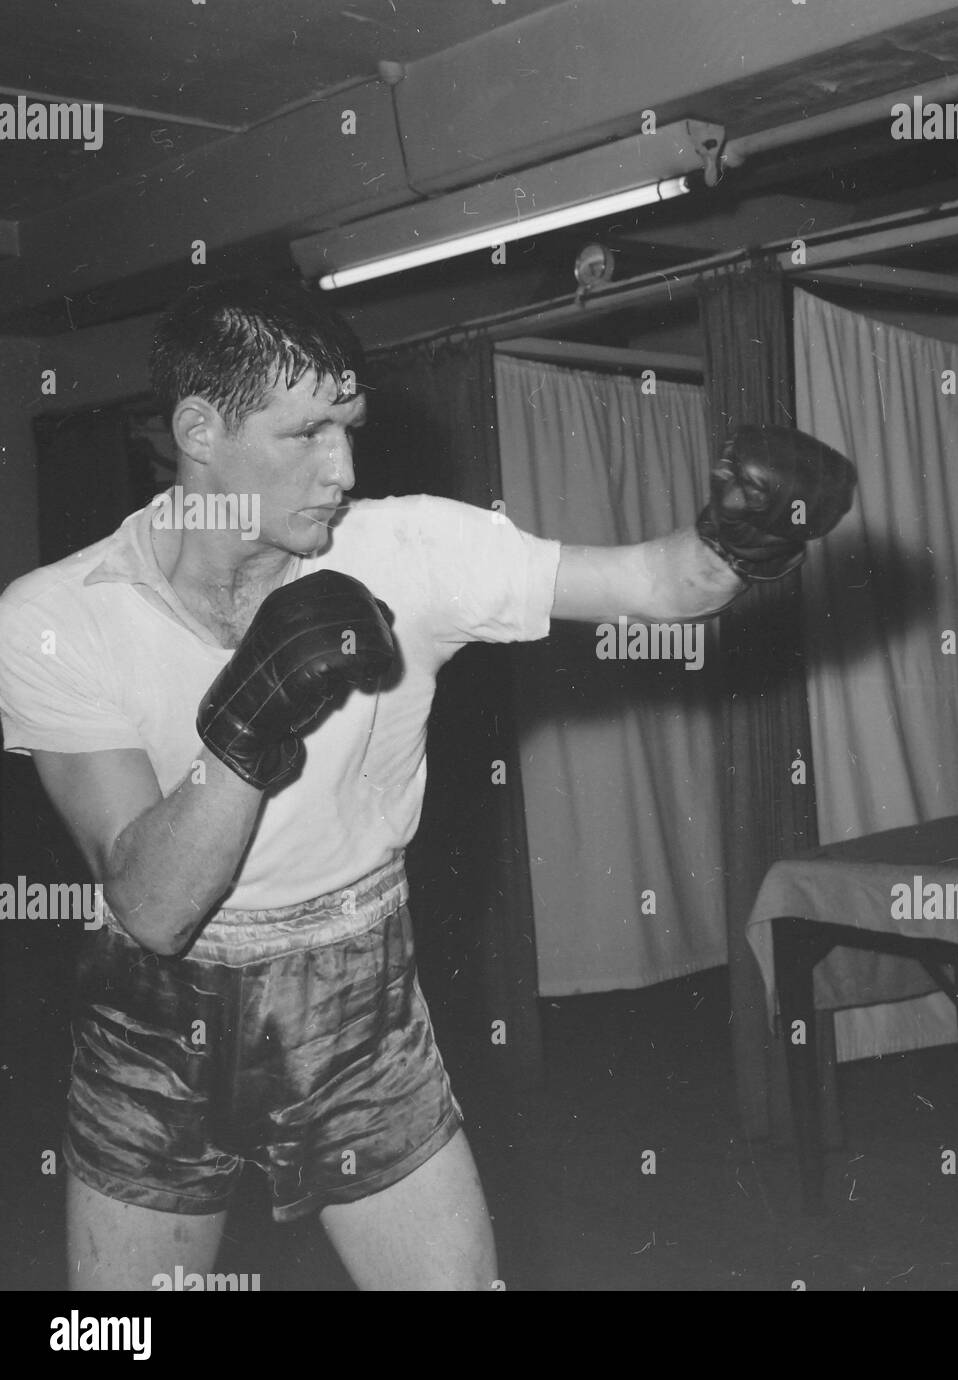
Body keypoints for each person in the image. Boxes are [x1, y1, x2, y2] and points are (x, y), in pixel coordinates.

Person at [0, 278, 855, 1291]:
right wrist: (246, 728)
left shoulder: (407, 550)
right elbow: (150, 905)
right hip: (154, 1022)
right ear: (198, 430)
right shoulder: (54, 617)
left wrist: (748, 536)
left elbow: (654, 585)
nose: (344, 467)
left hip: (354, 1000)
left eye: (350, 428)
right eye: (307, 434)